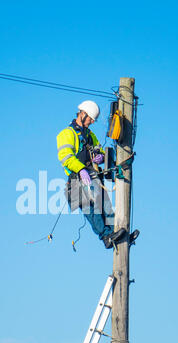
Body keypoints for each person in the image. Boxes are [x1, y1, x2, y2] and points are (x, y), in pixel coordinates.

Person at [56, 100, 126, 249]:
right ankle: (106, 236)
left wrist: (100, 156)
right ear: (82, 114)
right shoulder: (66, 134)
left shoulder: (89, 135)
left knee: (105, 205)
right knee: (92, 209)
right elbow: (66, 157)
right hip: (76, 180)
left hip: (93, 177)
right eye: (90, 118)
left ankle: (117, 232)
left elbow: (98, 149)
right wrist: (81, 169)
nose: (92, 122)